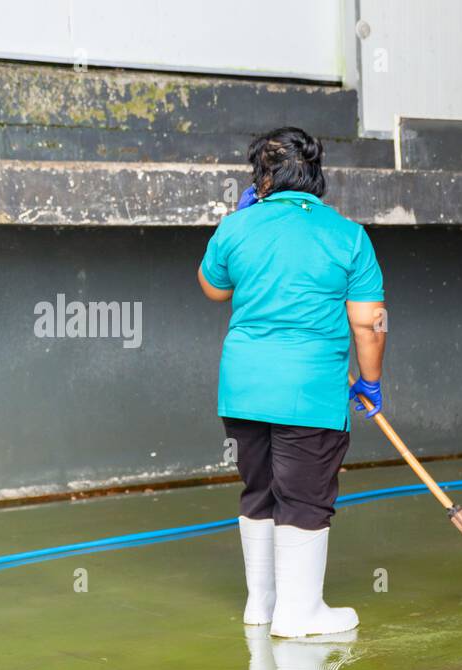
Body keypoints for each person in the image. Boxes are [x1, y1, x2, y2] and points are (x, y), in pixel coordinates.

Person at [197, 126, 386, 637]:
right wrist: (370, 382)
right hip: (310, 392)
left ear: (261, 178)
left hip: (242, 389)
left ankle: (262, 604)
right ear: (316, 176)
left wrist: (237, 222)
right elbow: (370, 323)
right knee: (303, 497)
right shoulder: (348, 236)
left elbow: (214, 288)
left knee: (259, 488)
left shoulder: (236, 227)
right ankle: (299, 614)